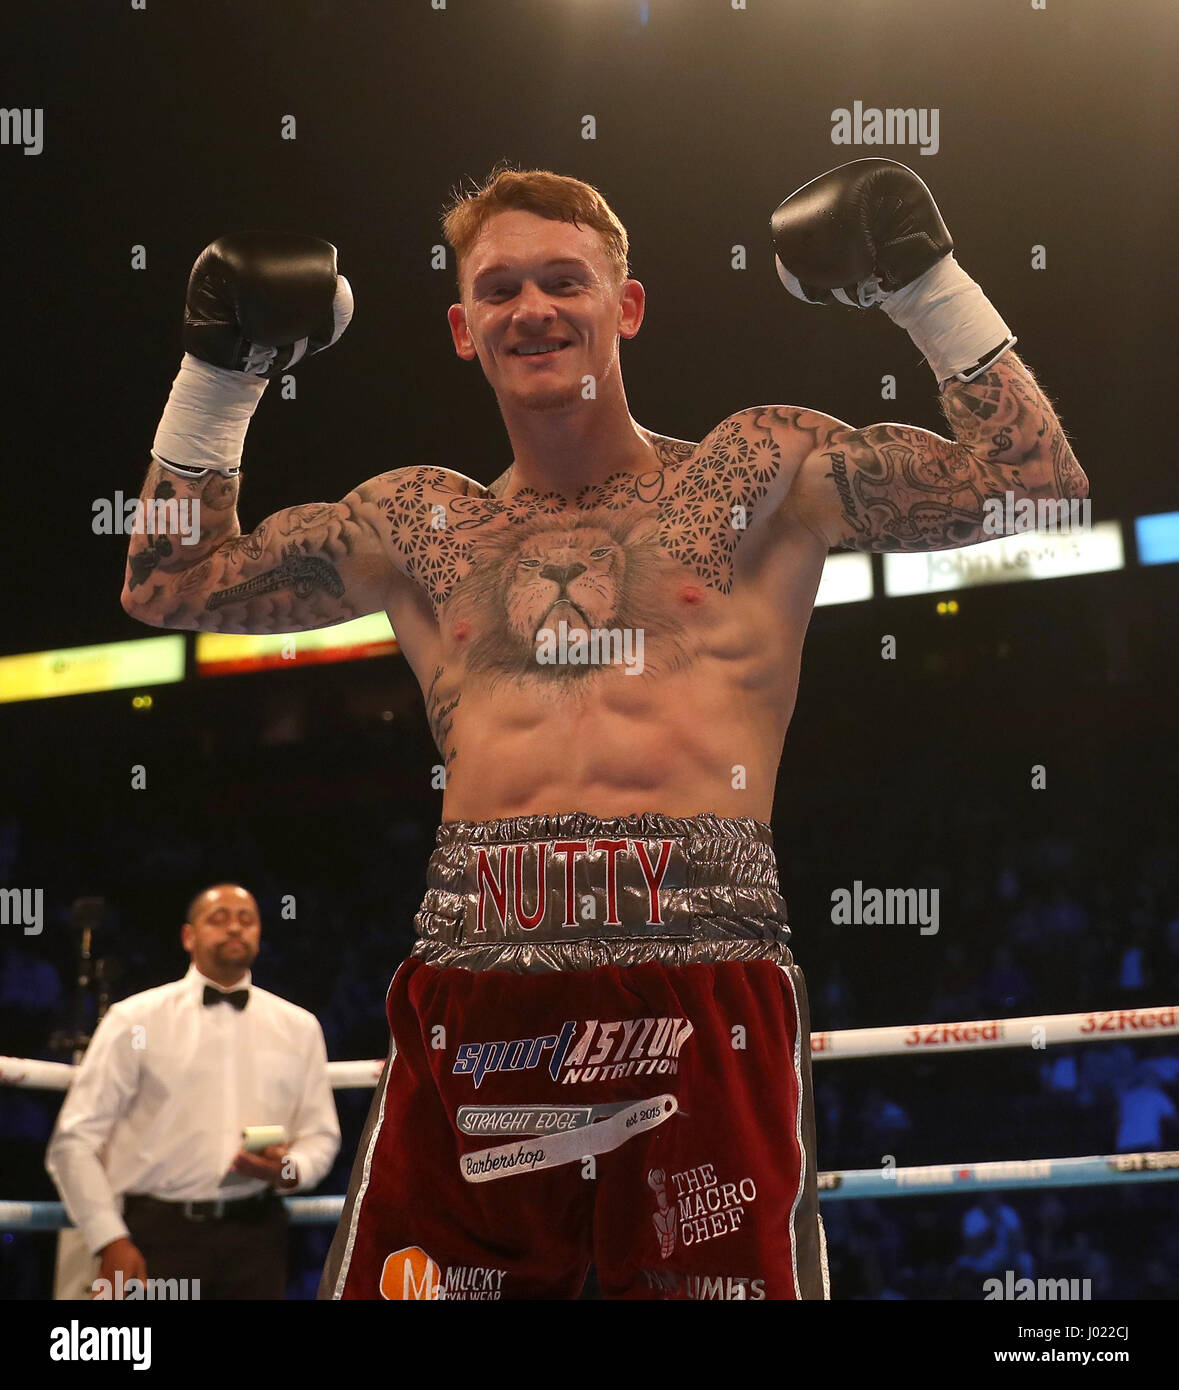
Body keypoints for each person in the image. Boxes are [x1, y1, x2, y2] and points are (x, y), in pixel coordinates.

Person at [119, 161, 1087, 1300]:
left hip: (699, 976)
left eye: (563, 280)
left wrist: (925, 284)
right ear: (462, 329)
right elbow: (170, 584)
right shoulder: (417, 523)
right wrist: (219, 377)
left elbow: (1038, 485)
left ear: (625, 306)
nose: (532, 307)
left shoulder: (758, 477)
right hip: (472, 983)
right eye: (500, 289)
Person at [45, 883, 340, 1299]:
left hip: (258, 1237)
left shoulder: (299, 1027)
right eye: (218, 918)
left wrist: (288, 1172)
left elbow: (321, 1136)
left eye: (246, 919)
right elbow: (73, 1143)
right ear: (188, 936)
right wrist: (109, 1238)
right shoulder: (134, 1020)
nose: (234, 928)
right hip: (154, 1234)